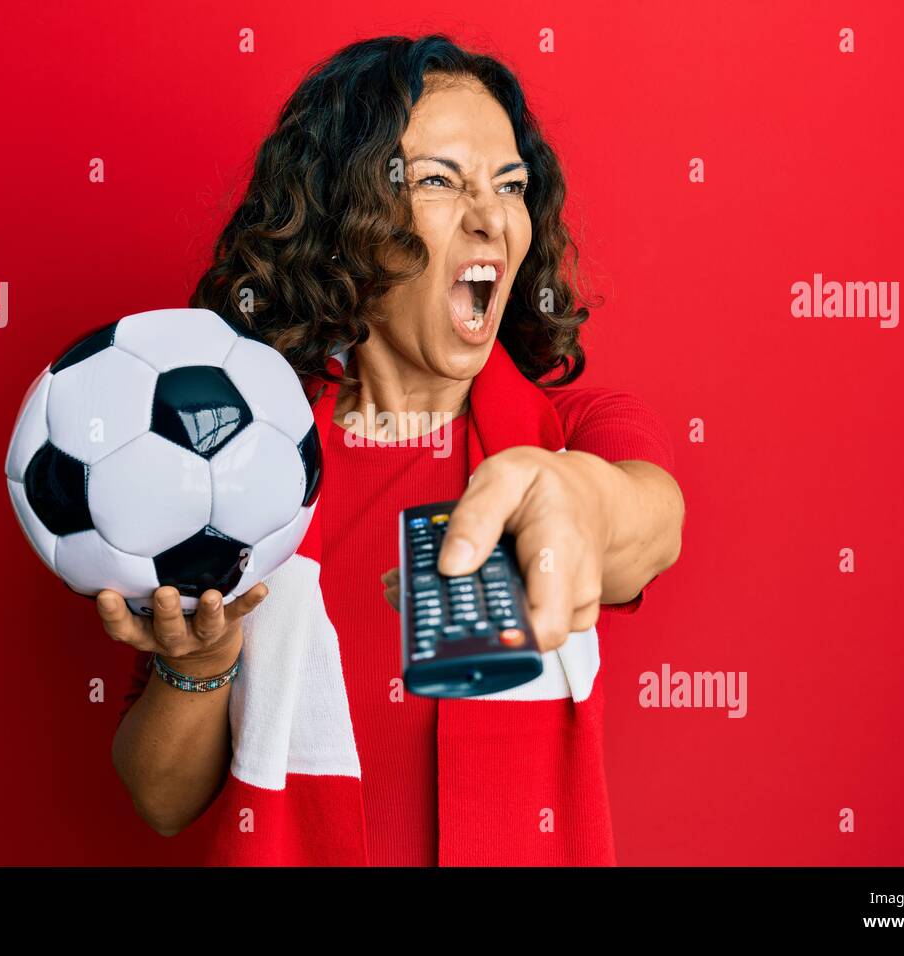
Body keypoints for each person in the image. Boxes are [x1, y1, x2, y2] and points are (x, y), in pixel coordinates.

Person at [97, 34, 685, 866]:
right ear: (348, 224)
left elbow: (650, 523)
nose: (489, 216)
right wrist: (205, 665)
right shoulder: (242, 472)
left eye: (509, 185)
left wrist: (578, 504)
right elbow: (160, 801)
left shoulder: (573, 434)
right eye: (439, 181)